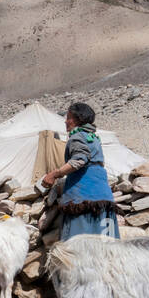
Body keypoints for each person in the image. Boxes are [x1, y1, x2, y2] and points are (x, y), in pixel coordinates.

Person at [41, 102, 120, 241]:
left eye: (69, 117)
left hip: (83, 197)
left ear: (79, 119)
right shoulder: (94, 138)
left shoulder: (77, 137)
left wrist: (54, 174)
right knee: (105, 244)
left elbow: (79, 160)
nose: (65, 121)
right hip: (102, 196)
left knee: (79, 246)